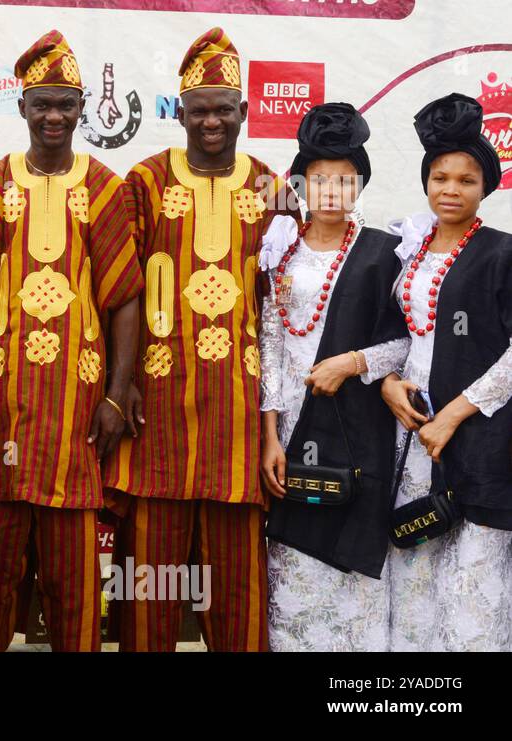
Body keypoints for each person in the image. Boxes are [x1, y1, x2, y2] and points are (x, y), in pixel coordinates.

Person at [0, 30, 144, 652]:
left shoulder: (107, 189)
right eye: (41, 104)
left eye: (65, 103)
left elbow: (126, 297)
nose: (53, 116)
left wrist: (115, 397)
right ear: (23, 108)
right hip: (1, 406)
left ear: (82, 107)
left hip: (77, 410)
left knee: (76, 580)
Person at [105, 28, 297, 652]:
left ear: (243, 112)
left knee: (238, 591)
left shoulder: (272, 186)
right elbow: (119, 288)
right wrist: (122, 380)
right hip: (157, 405)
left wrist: (278, 415)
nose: (210, 120)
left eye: (223, 109)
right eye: (198, 109)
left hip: (241, 411)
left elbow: (290, 307)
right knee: (149, 589)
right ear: (178, 112)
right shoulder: (145, 181)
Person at [257, 103, 408, 651]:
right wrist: (270, 434)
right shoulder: (279, 256)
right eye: (318, 179)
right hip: (293, 429)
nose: (330, 191)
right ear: (298, 185)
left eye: (344, 180)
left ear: (360, 185)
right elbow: (270, 348)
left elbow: (407, 343)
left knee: (353, 575)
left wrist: (354, 362)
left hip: (357, 426)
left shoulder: (385, 254)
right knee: (293, 571)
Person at [376, 93, 512, 651]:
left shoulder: (503, 254)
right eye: (440, 177)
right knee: (415, 581)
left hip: (480, 439)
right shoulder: (407, 252)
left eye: (465, 180)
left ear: (486, 188)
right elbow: (398, 336)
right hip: (413, 441)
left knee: (473, 587)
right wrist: (385, 382)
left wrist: (452, 415)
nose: (450, 190)